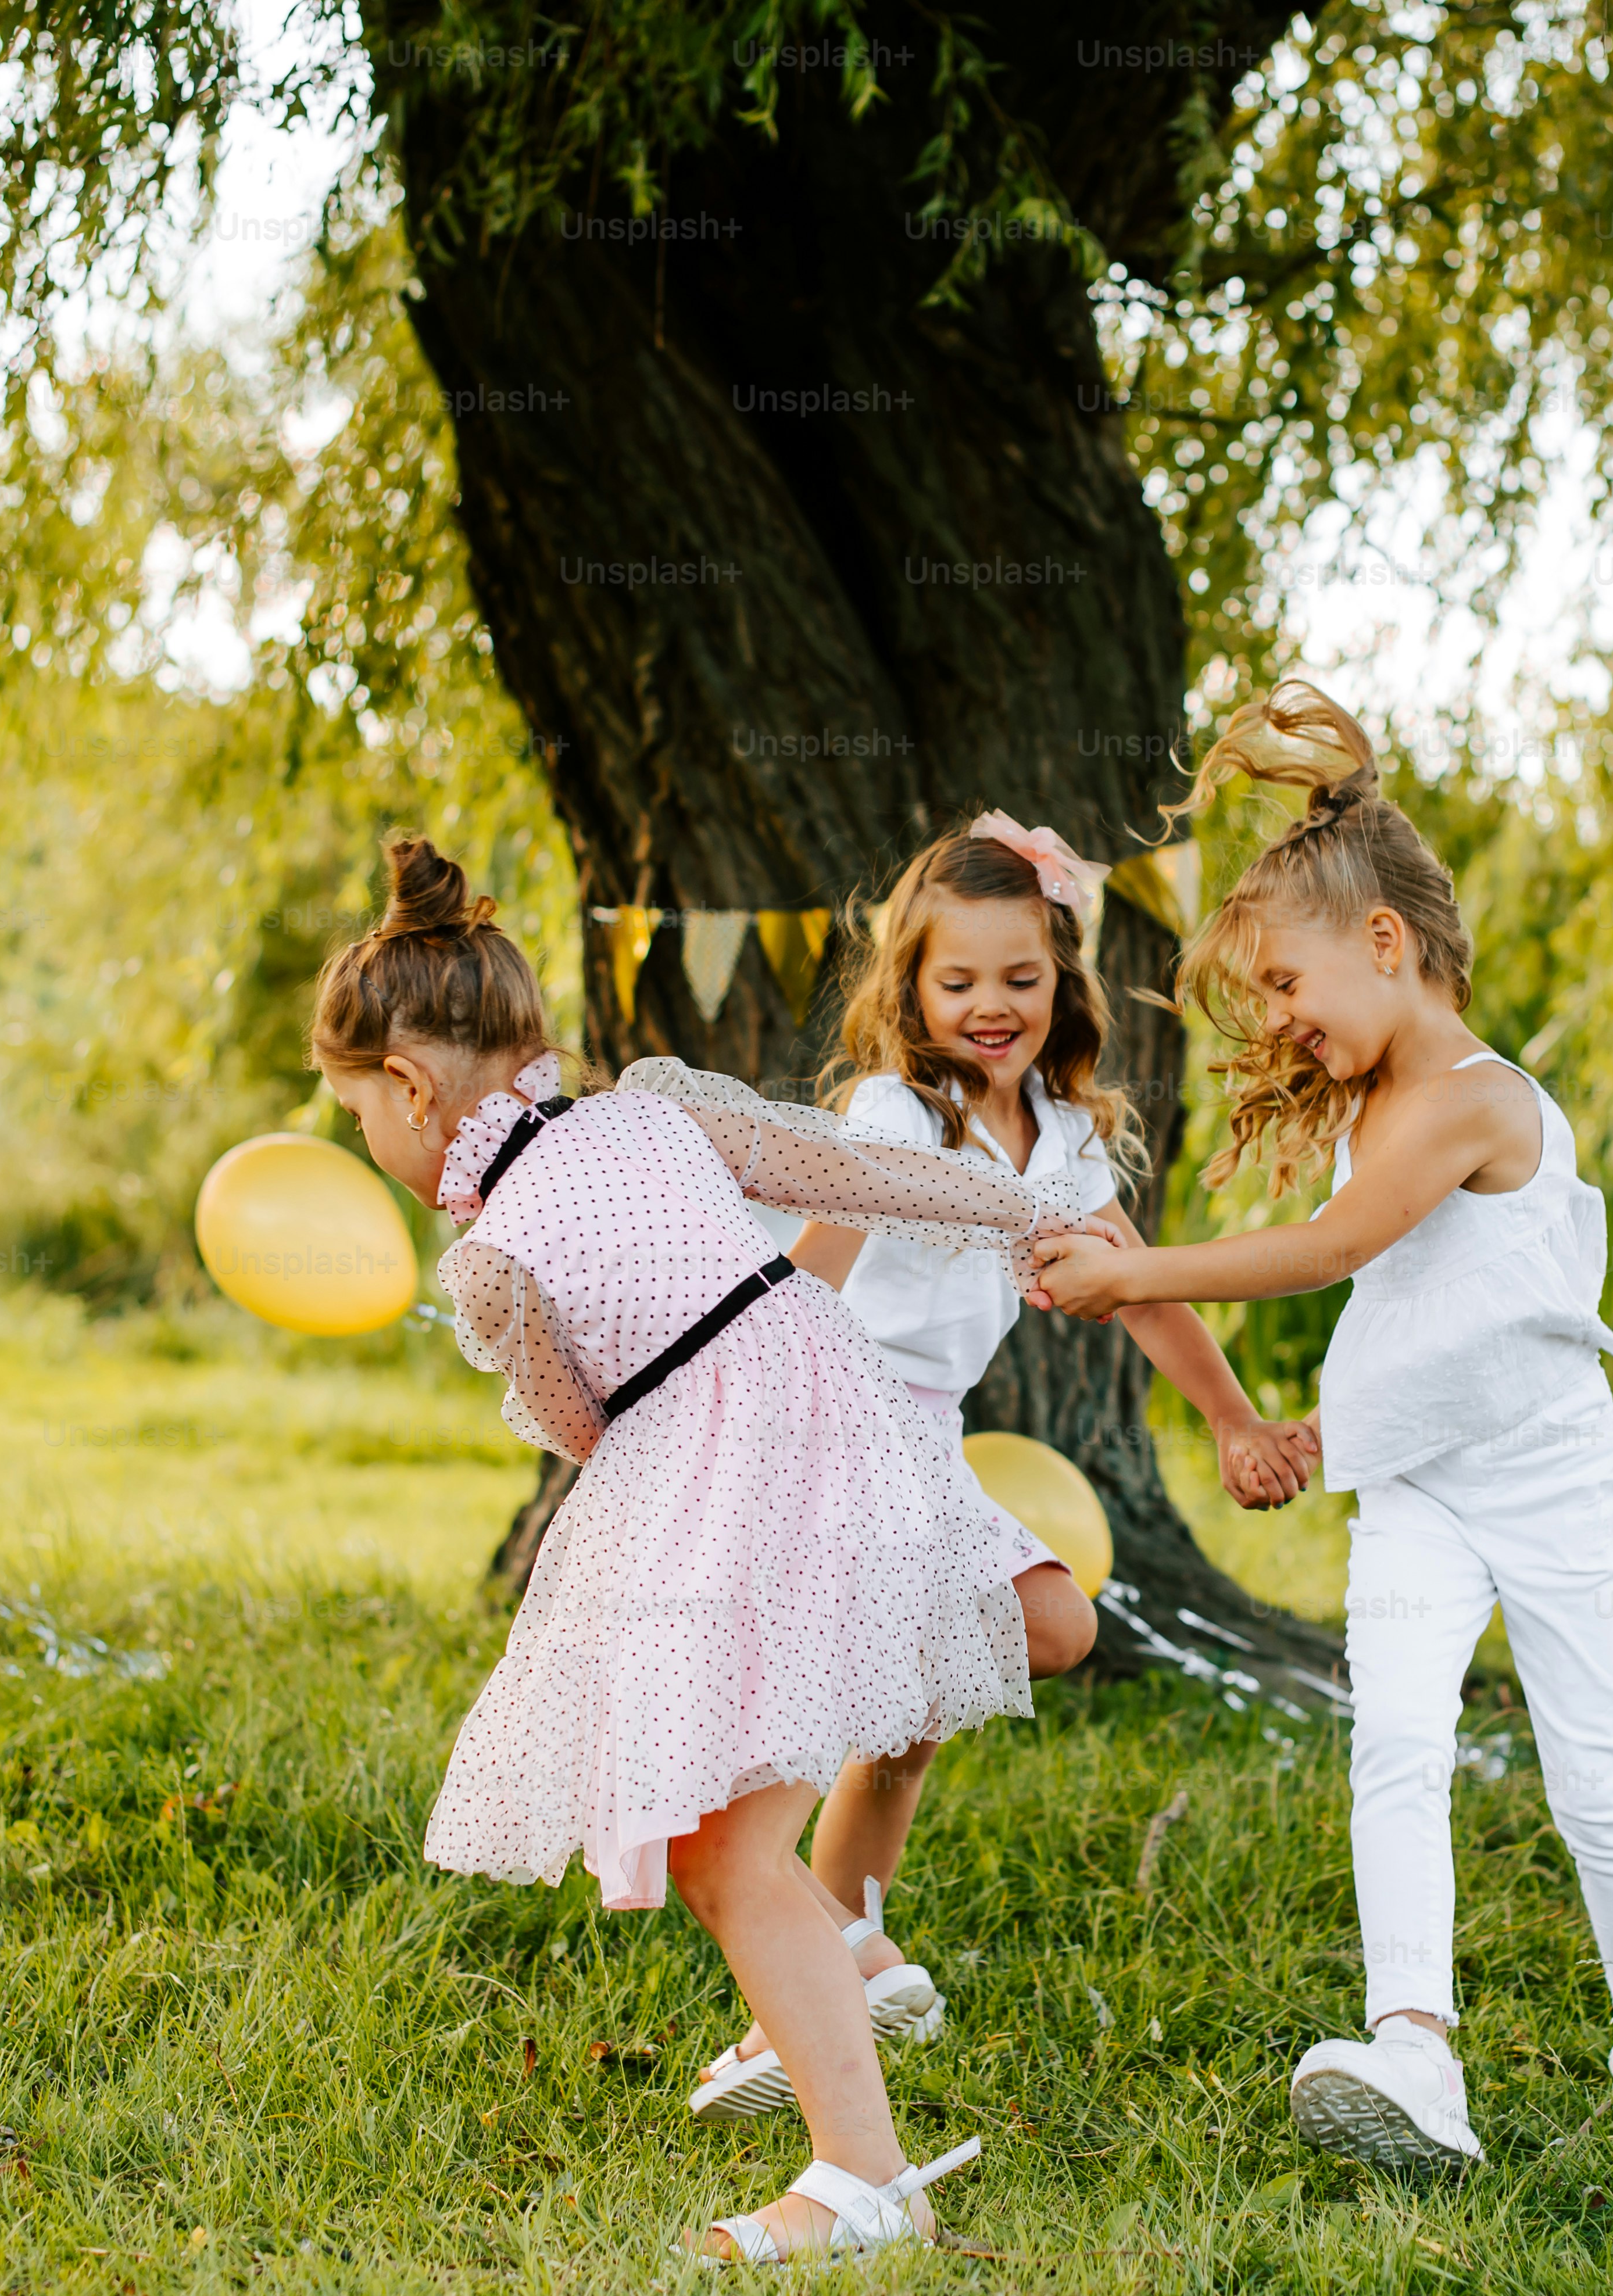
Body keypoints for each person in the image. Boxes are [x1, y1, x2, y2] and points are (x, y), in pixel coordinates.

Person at [313, 832, 1085, 2259]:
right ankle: (851, 2069)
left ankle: (861, 2172)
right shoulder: (654, 1110)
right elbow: (855, 1173)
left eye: (362, 1112)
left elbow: (582, 1428)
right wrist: (1028, 1212)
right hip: (842, 1437)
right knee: (729, 1837)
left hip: (731, 1485)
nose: (373, 1139)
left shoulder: (491, 1258)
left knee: (723, 1846)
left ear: (413, 1090)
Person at [1024, 683, 1613, 2168]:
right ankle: (1416, 2055)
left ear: (1386, 945)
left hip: (1549, 1490)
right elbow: (1422, 1326)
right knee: (1393, 1743)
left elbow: (1336, 1251)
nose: (1278, 1018)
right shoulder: (1377, 1094)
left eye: (1288, 984)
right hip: (1417, 1493)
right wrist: (1292, 1434)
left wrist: (1136, 1269)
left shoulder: (1470, 1098)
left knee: (1598, 1772)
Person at [686, 812, 1319, 2122]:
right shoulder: (893, 1113)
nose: (991, 1006)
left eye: (1020, 980)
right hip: (835, 1429)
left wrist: (1236, 1418)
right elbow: (815, 1270)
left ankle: (813, 1974)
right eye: (958, 981)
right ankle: (832, 1962)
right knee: (829, 1725)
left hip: (927, 1440)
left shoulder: (1057, 1130)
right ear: (909, 988)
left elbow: (1141, 1289)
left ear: (1061, 984)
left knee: (993, 1666)